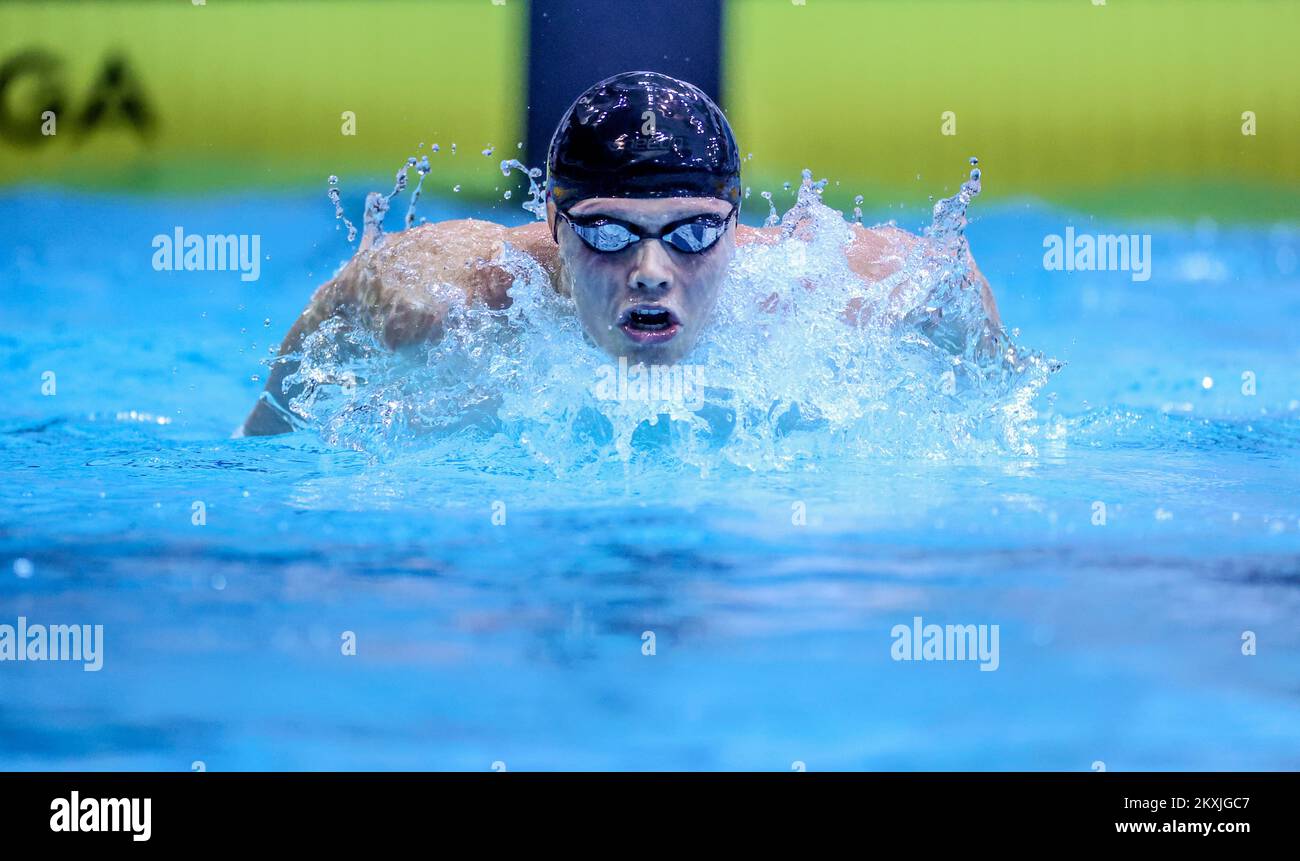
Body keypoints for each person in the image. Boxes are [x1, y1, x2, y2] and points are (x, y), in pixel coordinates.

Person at [240, 71, 999, 437]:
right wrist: (264, 434)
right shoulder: (450, 299)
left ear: (735, 228)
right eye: (607, 231)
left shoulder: (815, 291)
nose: (650, 270)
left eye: (693, 231)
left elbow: (948, 279)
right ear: (555, 223)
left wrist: (998, 391)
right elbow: (348, 293)